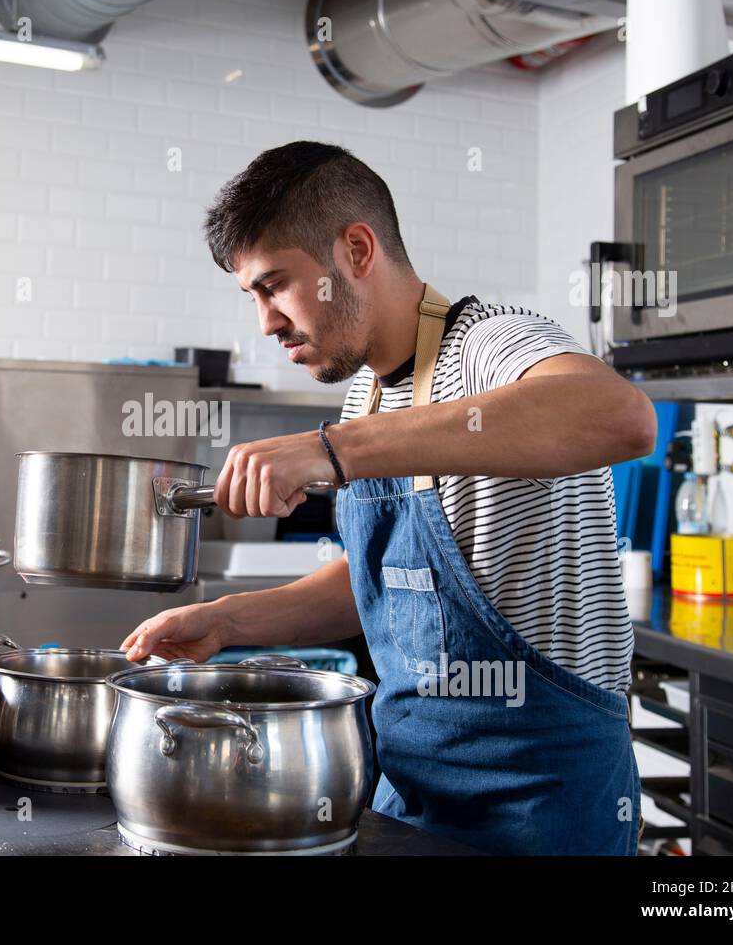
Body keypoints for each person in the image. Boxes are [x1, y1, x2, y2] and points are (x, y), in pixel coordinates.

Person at [121, 141, 656, 855]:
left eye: (275, 285)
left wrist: (331, 451)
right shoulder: (364, 397)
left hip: (541, 803)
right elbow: (379, 584)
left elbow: (621, 415)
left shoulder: (492, 345)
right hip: (405, 794)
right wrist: (227, 620)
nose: (266, 323)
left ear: (357, 250)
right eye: (253, 295)